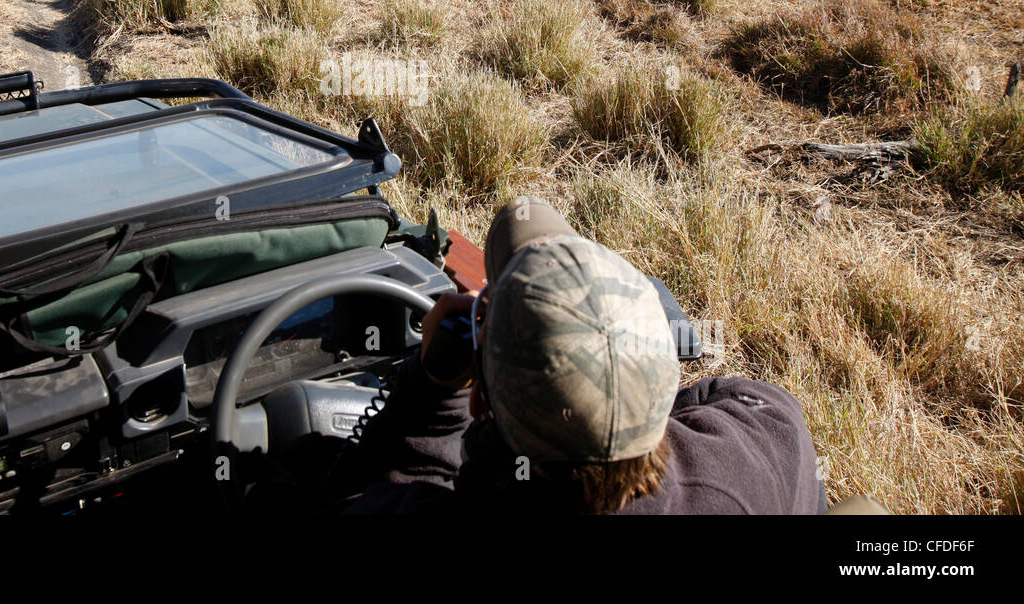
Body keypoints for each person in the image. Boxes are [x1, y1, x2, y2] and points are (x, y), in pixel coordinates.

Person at [340, 197, 826, 514]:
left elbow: (373, 487)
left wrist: (432, 391)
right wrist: (611, 392)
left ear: (478, 404)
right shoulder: (766, 441)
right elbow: (731, 396)